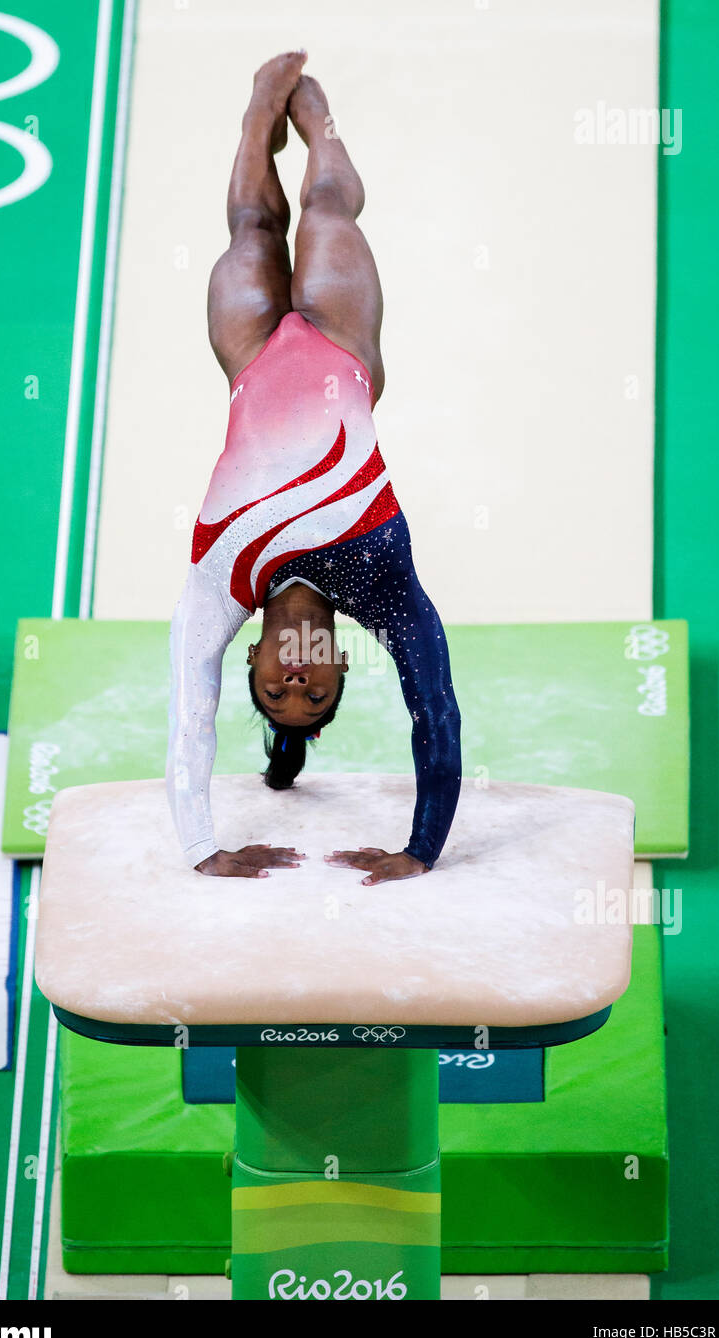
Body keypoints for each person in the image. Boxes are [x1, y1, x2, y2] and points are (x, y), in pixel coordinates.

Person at [167, 52, 461, 885]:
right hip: (342, 342)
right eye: (315, 696)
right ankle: (320, 119)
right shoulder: (382, 583)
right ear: (340, 668)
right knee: (328, 204)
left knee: (253, 233)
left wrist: (204, 851)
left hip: (252, 354)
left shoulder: (217, 586)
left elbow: (189, 721)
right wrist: (419, 850)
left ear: (251, 660)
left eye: (276, 693)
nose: (296, 685)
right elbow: (435, 713)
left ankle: (260, 111)